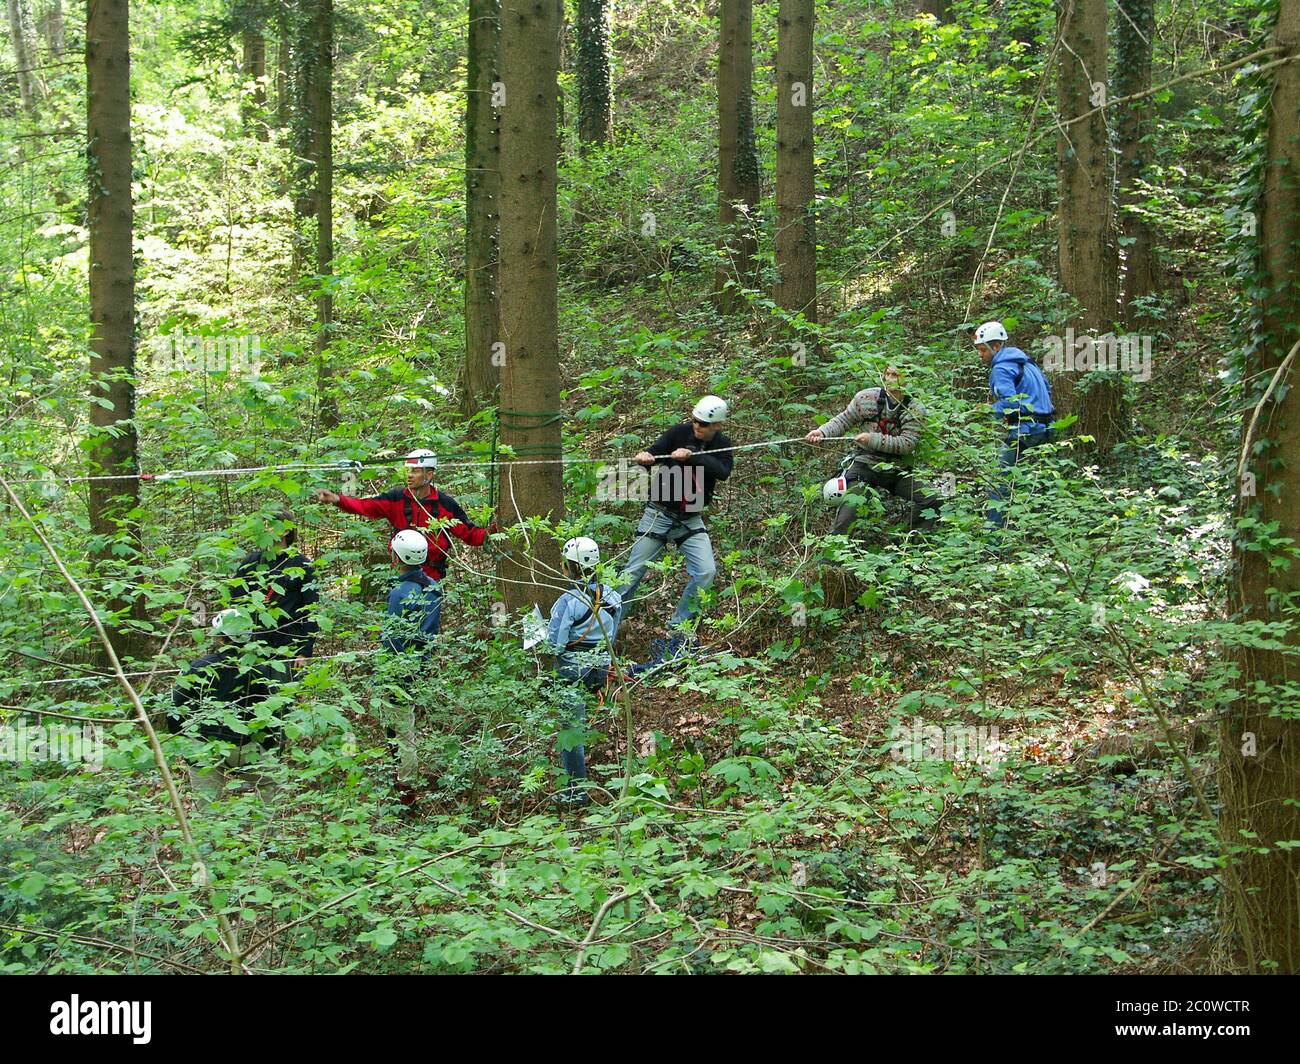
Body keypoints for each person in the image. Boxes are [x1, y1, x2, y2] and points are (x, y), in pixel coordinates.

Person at [616, 395, 733, 668]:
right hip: (658, 512)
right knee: (633, 571)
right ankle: (608, 624)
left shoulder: (721, 445)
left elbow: (722, 471)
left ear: (717, 425)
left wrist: (693, 457)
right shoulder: (678, 432)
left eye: (703, 424)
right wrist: (645, 458)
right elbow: (654, 452)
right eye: (695, 420)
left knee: (706, 571)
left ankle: (679, 629)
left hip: (690, 519)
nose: (696, 427)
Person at [316, 448, 493, 594]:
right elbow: (367, 506)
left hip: (432, 580)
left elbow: (471, 535)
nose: (410, 475)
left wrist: (496, 530)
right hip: (400, 576)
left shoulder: (445, 505)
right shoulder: (397, 498)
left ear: (429, 475)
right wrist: (338, 500)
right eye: (409, 471)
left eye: (415, 471)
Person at [806, 364, 941, 534]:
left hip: (898, 469)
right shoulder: (866, 398)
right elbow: (844, 420)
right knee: (847, 514)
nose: (891, 379)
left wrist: (872, 439)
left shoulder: (915, 409)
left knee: (931, 498)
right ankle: (832, 558)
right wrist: (822, 432)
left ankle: (910, 543)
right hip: (865, 464)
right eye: (888, 374)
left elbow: (907, 444)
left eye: (896, 375)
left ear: (907, 379)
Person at [166, 608, 276, 802]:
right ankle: (268, 831)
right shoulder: (259, 669)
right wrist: (267, 746)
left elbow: (174, 707)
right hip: (243, 745)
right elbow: (268, 713)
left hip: (203, 745)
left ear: (220, 638)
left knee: (206, 804)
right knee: (273, 784)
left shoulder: (199, 665)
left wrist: (185, 743)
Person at [545, 536, 623, 805]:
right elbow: (612, 636)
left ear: (570, 566)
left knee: (571, 729)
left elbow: (555, 645)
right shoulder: (613, 596)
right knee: (583, 724)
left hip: (571, 668)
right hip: (599, 667)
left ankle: (575, 792)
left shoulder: (568, 601)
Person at [375, 529, 443, 805]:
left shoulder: (400, 592)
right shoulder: (432, 586)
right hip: (420, 665)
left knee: (401, 730)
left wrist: (387, 669)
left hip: (398, 669)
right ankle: (403, 781)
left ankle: (406, 791)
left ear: (397, 556)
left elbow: (392, 636)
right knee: (402, 724)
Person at [973, 321, 1056, 529]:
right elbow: (1047, 389)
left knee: (1000, 483)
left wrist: (987, 410)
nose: (980, 355)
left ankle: (994, 537)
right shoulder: (1026, 363)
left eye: (983, 350)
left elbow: (1010, 403)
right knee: (1036, 481)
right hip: (1046, 428)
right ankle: (1039, 529)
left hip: (1025, 431)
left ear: (997, 347)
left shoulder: (1001, 368)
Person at [230, 508, 319, 678]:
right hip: (253, 644)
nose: (264, 529)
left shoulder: (302, 565)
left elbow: (311, 610)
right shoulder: (251, 563)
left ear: (285, 530)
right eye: (263, 525)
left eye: (269, 525)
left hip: (288, 644)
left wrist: (305, 651)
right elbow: (236, 603)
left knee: (282, 697)